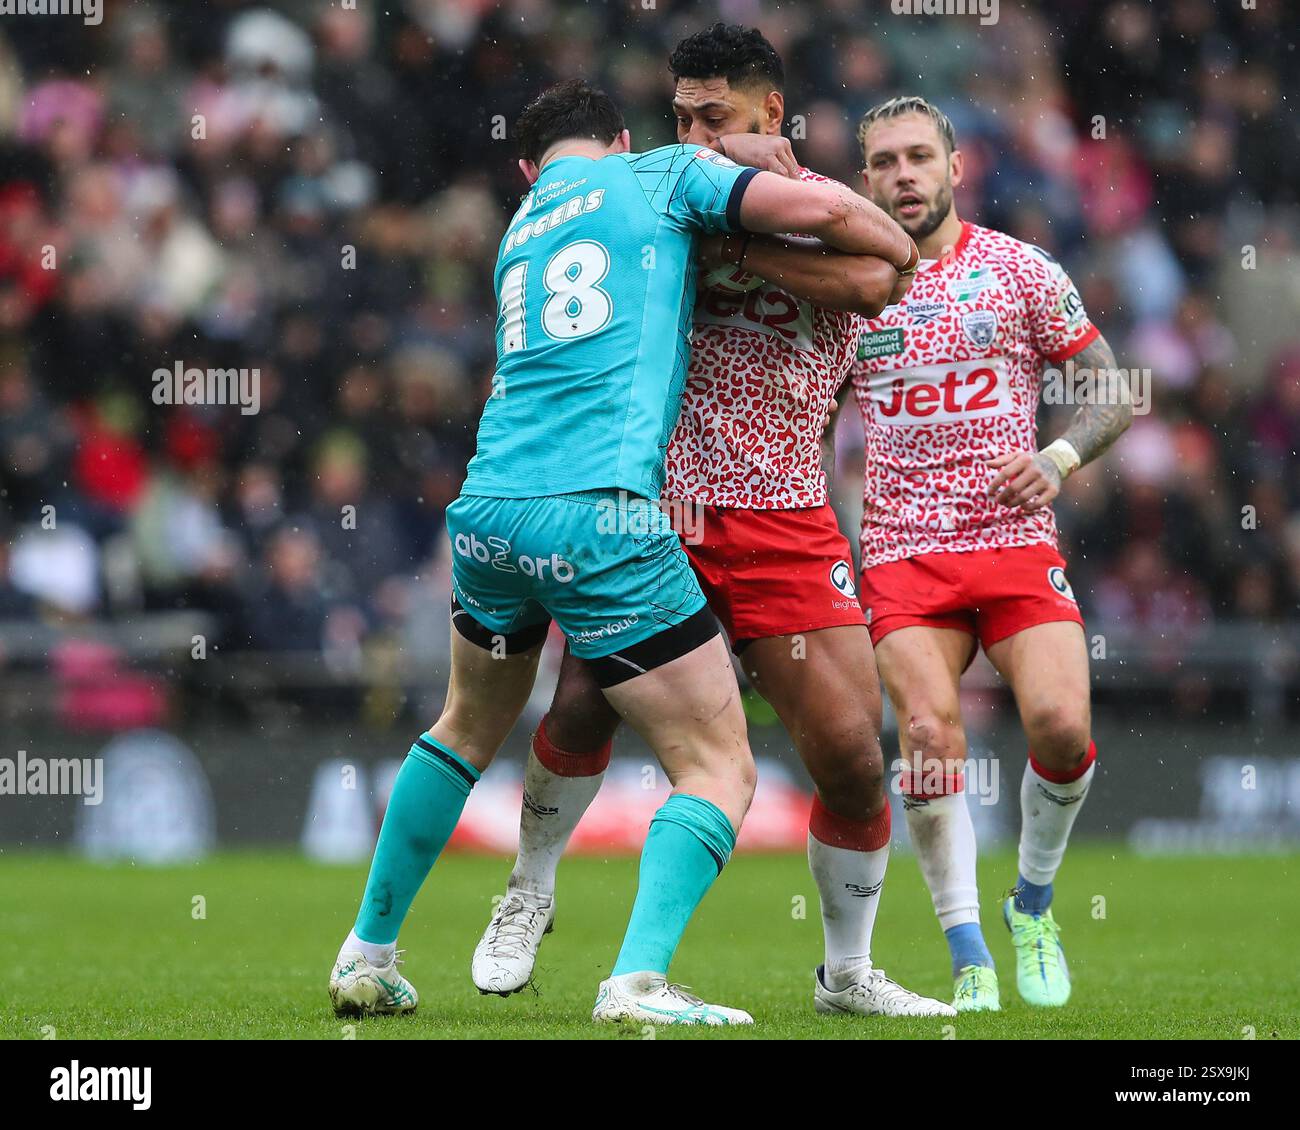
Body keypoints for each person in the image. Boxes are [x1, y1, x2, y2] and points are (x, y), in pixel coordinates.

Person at [329, 76, 917, 1027]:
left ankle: (368, 950)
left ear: (529, 165)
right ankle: (636, 980)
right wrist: (888, 235)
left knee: (462, 728)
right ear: (628, 136)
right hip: (600, 515)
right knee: (718, 764)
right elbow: (841, 225)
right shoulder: (657, 176)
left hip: (486, 510)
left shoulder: (522, 226)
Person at [472, 26, 954, 1019]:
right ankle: (529, 884)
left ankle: (846, 970)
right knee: (573, 711)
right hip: (664, 506)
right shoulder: (653, 193)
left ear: (770, 114)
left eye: (713, 116)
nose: (690, 130)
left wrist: (741, 247)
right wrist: (722, 206)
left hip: (785, 512)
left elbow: (880, 277)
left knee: (856, 759)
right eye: (679, 113)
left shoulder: (803, 206)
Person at [847, 95, 1133, 1011]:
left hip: (1012, 542)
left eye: (919, 157)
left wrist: (1059, 456)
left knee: (1058, 727)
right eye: (885, 161)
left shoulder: (1019, 269)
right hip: (901, 551)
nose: (904, 175)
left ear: (955, 166)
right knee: (929, 737)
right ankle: (968, 951)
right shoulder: (846, 290)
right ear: (864, 179)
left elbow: (1115, 390)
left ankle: (1034, 904)